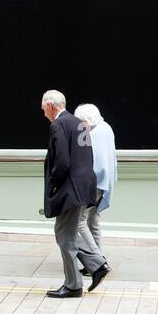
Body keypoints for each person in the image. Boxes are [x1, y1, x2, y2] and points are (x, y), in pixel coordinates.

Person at [40, 89, 110, 298]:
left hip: (69, 189)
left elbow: (62, 161)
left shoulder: (58, 125)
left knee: (64, 235)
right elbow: (87, 156)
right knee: (67, 233)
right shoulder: (79, 123)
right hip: (84, 186)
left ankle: (73, 285)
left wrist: (53, 183)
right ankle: (97, 265)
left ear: (51, 106)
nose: (44, 113)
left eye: (44, 108)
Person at [74, 103, 117, 260]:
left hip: (93, 184)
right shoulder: (106, 128)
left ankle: (97, 260)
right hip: (104, 182)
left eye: (80, 121)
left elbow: (88, 163)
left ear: (86, 119)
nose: (79, 125)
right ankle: (99, 256)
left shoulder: (92, 134)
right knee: (94, 221)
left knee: (78, 221)